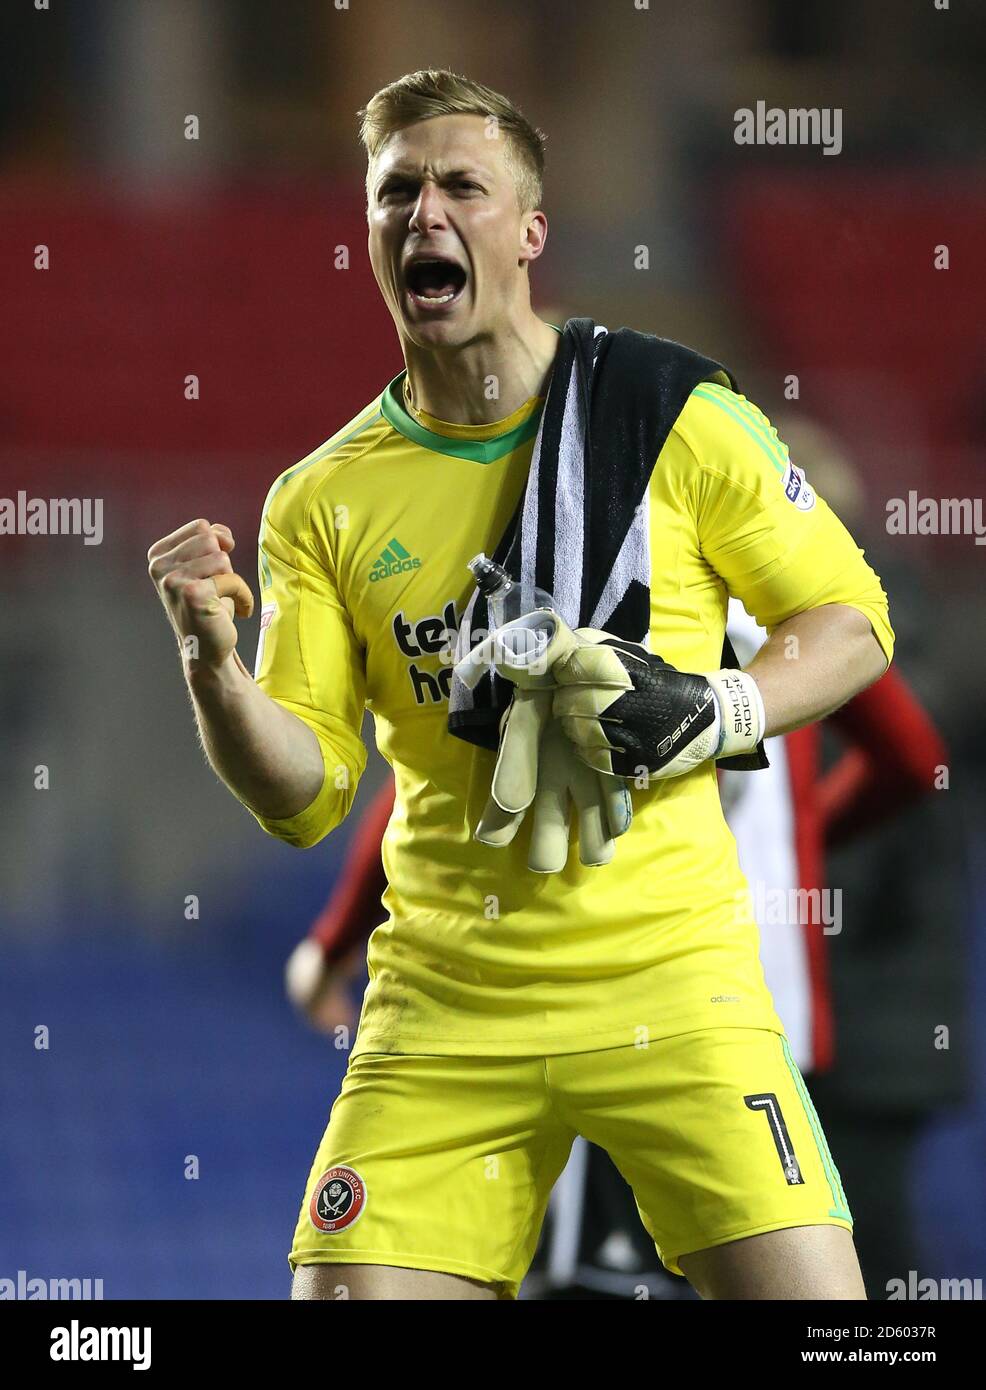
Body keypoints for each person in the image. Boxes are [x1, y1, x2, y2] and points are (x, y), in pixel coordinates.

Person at [147, 69, 893, 1301]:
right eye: (397, 191)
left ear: (528, 230)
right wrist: (212, 667)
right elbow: (305, 795)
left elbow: (849, 620)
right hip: (447, 1007)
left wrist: (721, 708)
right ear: (370, 235)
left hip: (673, 983)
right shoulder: (319, 500)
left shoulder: (673, 413)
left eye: (460, 186)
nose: (424, 213)